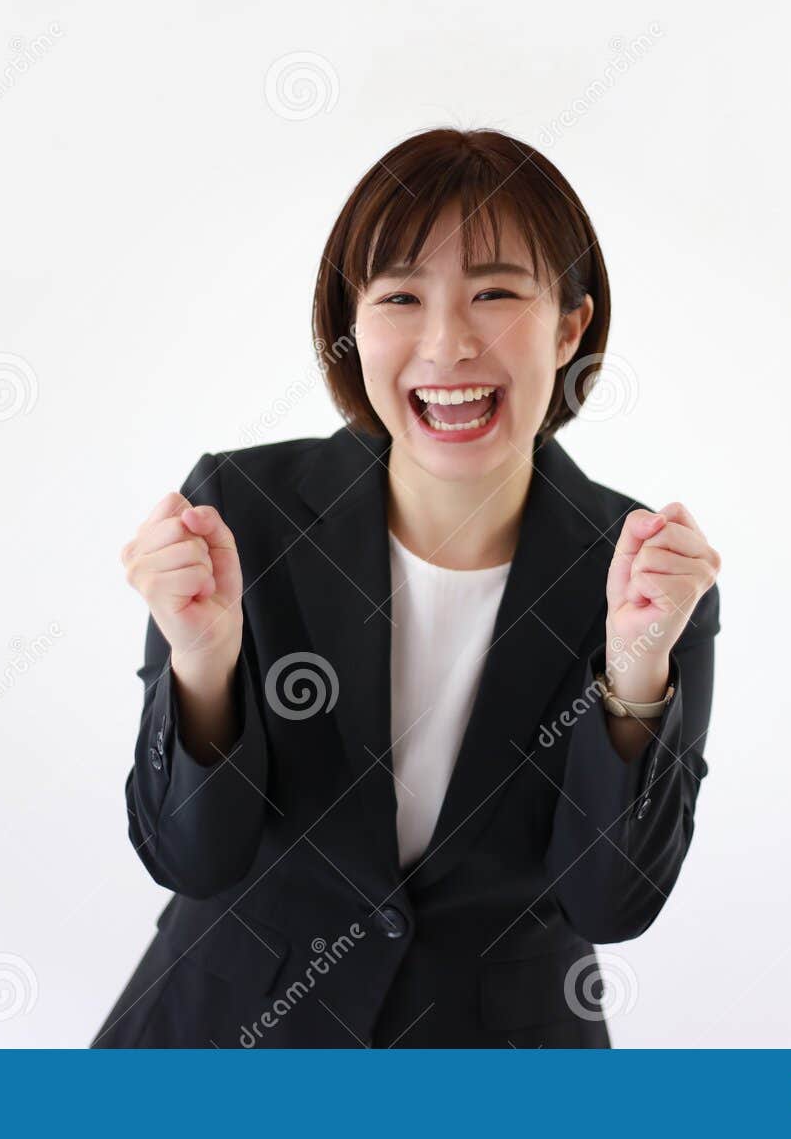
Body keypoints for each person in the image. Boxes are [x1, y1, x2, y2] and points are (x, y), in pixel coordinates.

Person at [93, 127, 721, 1048]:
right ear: (352, 326)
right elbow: (191, 855)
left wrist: (635, 676)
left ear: (571, 323)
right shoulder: (240, 511)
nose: (447, 342)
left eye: (496, 292)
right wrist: (203, 665)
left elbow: (612, 899)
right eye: (399, 297)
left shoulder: (643, 568)